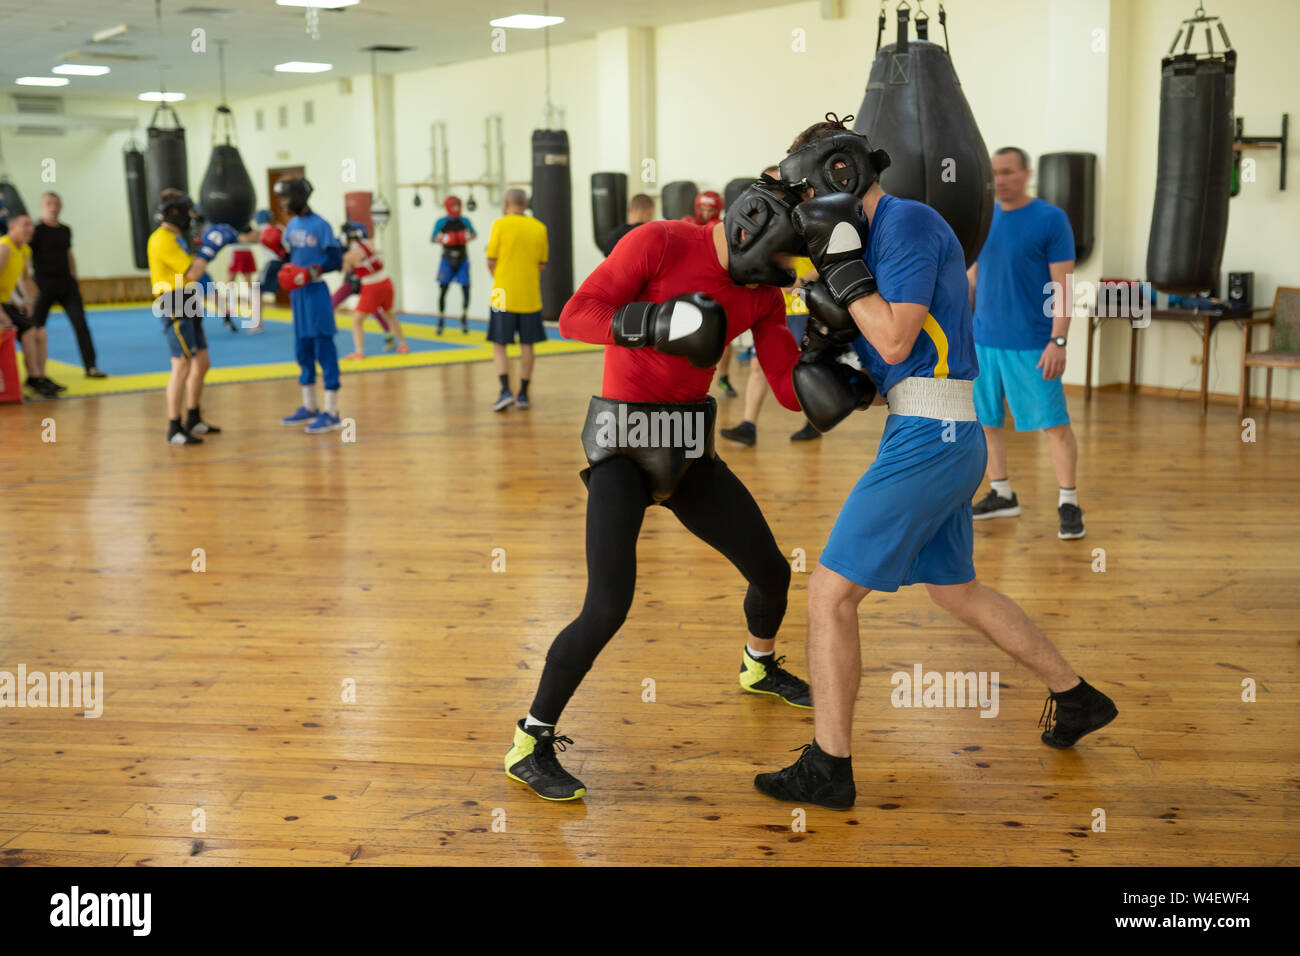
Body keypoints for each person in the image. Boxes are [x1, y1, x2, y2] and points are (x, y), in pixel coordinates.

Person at [753, 115, 1117, 810]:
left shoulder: (908, 227)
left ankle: (830, 766)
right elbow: (891, 358)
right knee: (958, 591)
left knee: (829, 594)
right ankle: (1078, 697)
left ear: (837, 173)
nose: (803, 208)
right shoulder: (875, 237)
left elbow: (893, 340)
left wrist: (846, 279)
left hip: (935, 436)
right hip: (929, 428)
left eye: (804, 191)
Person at [503, 176, 844, 802]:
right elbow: (575, 315)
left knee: (771, 572)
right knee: (607, 606)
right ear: (753, 227)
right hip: (622, 448)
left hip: (689, 452)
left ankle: (758, 666)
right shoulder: (657, 242)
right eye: (785, 256)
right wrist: (654, 323)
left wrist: (827, 348)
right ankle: (531, 740)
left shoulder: (763, 294)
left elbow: (793, 395)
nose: (788, 271)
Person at [967, 147, 1084, 539]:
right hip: (983, 342)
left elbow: (1063, 289)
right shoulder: (984, 216)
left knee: (1053, 425)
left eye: (1007, 172)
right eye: (994, 173)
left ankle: (1068, 501)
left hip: (1033, 345)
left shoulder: (1050, 219)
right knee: (986, 423)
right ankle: (1001, 493)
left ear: (1026, 174)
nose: (999, 180)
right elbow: (971, 280)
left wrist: (1059, 340)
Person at [721, 168, 826, 444]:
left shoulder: (806, 220)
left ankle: (813, 420)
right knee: (758, 366)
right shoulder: (761, 224)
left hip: (801, 305)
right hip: (775, 306)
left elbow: (826, 258)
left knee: (804, 365)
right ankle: (749, 426)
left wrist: (802, 279)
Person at [148, 190, 237, 443]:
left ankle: (193, 418)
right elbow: (193, 271)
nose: (191, 215)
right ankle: (174, 428)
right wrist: (209, 249)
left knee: (202, 361)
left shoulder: (176, 237)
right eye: (187, 211)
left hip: (188, 299)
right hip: (174, 301)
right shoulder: (162, 239)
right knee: (182, 364)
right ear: (175, 212)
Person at [274, 177, 345, 434]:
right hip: (297, 296)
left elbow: (336, 259)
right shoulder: (291, 225)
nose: (282, 203)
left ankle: (332, 411)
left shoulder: (321, 225)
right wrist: (277, 252)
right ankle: (309, 406)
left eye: (285, 198)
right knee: (302, 349)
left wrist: (312, 272)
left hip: (315, 293)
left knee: (323, 347)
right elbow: (292, 258)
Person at [29, 192, 106, 377]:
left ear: (60, 206)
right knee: (35, 328)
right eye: (49, 204)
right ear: (42, 206)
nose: (53, 207)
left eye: (56, 204)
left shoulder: (65, 230)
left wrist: (74, 276)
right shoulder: (36, 231)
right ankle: (36, 373)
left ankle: (91, 366)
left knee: (81, 325)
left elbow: (68, 254)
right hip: (43, 284)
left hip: (66, 284)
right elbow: (26, 257)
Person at [484, 189, 547, 411]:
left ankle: (504, 391)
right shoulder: (539, 228)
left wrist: (502, 275)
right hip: (529, 293)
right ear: (526, 204)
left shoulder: (499, 225)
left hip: (502, 293)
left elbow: (491, 260)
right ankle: (523, 394)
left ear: (506, 202)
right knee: (527, 344)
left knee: (499, 344)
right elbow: (541, 264)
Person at [0, 213, 60, 398]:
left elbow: (24, 280)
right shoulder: (4, 248)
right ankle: (33, 378)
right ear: (12, 227)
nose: (30, 229)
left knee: (41, 332)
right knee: (29, 332)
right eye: (25, 225)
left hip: (6, 302)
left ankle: (40, 377)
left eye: (31, 225)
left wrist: (28, 300)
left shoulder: (25, 250)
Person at [339, 221, 409, 360]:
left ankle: (359, 352)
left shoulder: (349, 256)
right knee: (389, 315)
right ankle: (403, 344)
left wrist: (341, 256)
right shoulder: (369, 243)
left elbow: (345, 269)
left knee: (357, 320)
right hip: (386, 282)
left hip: (372, 286)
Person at [432, 195, 476, 335]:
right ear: (448, 207)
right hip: (447, 258)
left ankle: (463, 318)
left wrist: (467, 236)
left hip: (462, 258)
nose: (456, 208)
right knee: (443, 289)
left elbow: (474, 234)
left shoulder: (465, 221)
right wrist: (444, 239)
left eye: (458, 205)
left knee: (466, 289)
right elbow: (433, 237)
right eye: (453, 206)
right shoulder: (442, 222)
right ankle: (440, 319)